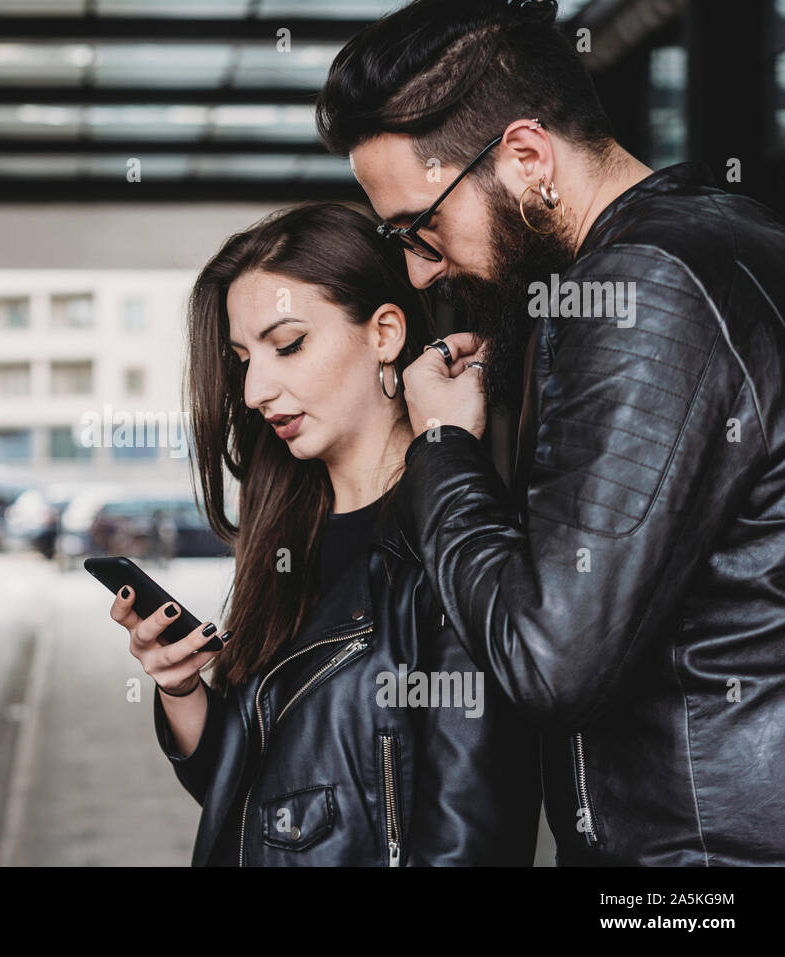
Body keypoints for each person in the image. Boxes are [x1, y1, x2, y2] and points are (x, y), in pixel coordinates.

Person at [315, 0, 785, 864]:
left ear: (527, 157)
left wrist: (442, 451)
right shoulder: (729, 238)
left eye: (420, 228)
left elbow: (549, 658)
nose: (421, 270)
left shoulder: (646, 285)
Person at [107, 202, 540, 866]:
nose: (253, 389)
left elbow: (470, 839)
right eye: (243, 357)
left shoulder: (455, 540)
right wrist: (182, 688)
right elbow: (263, 800)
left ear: (384, 333)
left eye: (288, 345)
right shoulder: (286, 532)